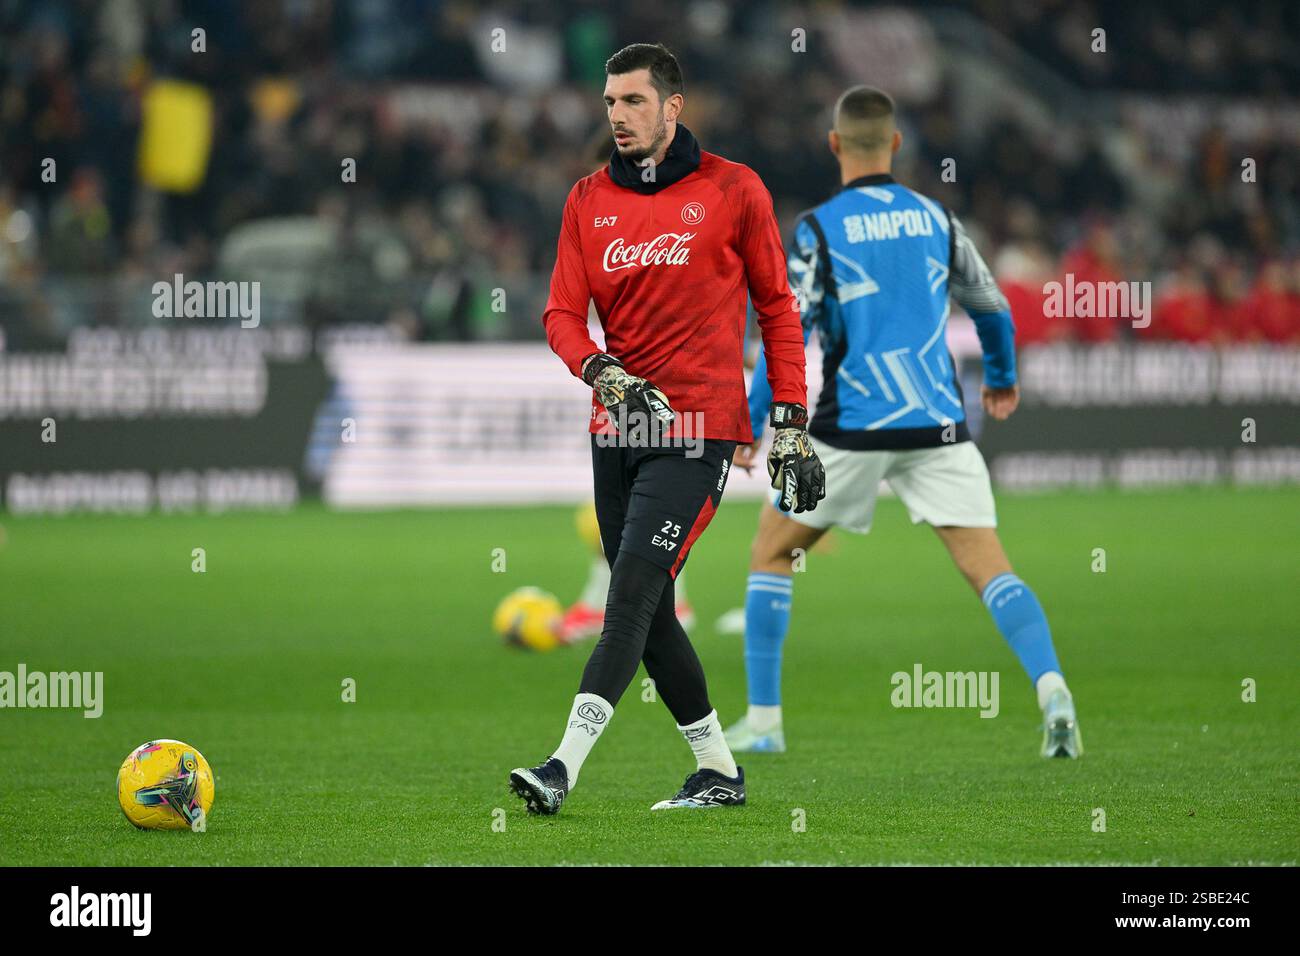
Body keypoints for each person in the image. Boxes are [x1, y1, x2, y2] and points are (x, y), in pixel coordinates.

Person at [508, 42, 824, 815]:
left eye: (634, 102)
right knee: (647, 617)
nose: (617, 115)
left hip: (699, 430)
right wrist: (602, 372)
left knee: (630, 595)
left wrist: (788, 423)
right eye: (610, 103)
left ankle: (561, 767)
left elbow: (779, 310)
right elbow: (559, 314)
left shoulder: (733, 190)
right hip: (615, 429)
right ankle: (717, 770)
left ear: (673, 107)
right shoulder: (587, 200)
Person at [725, 86, 1082, 759]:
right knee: (988, 567)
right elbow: (992, 308)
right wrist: (1002, 379)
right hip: (938, 426)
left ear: (835, 146)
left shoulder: (817, 229)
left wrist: (751, 424)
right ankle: (1052, 688)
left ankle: (765, 723)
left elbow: (784, 334)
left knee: (774, 550)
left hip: (852, 430)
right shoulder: (937, 218)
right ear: (895, 144)